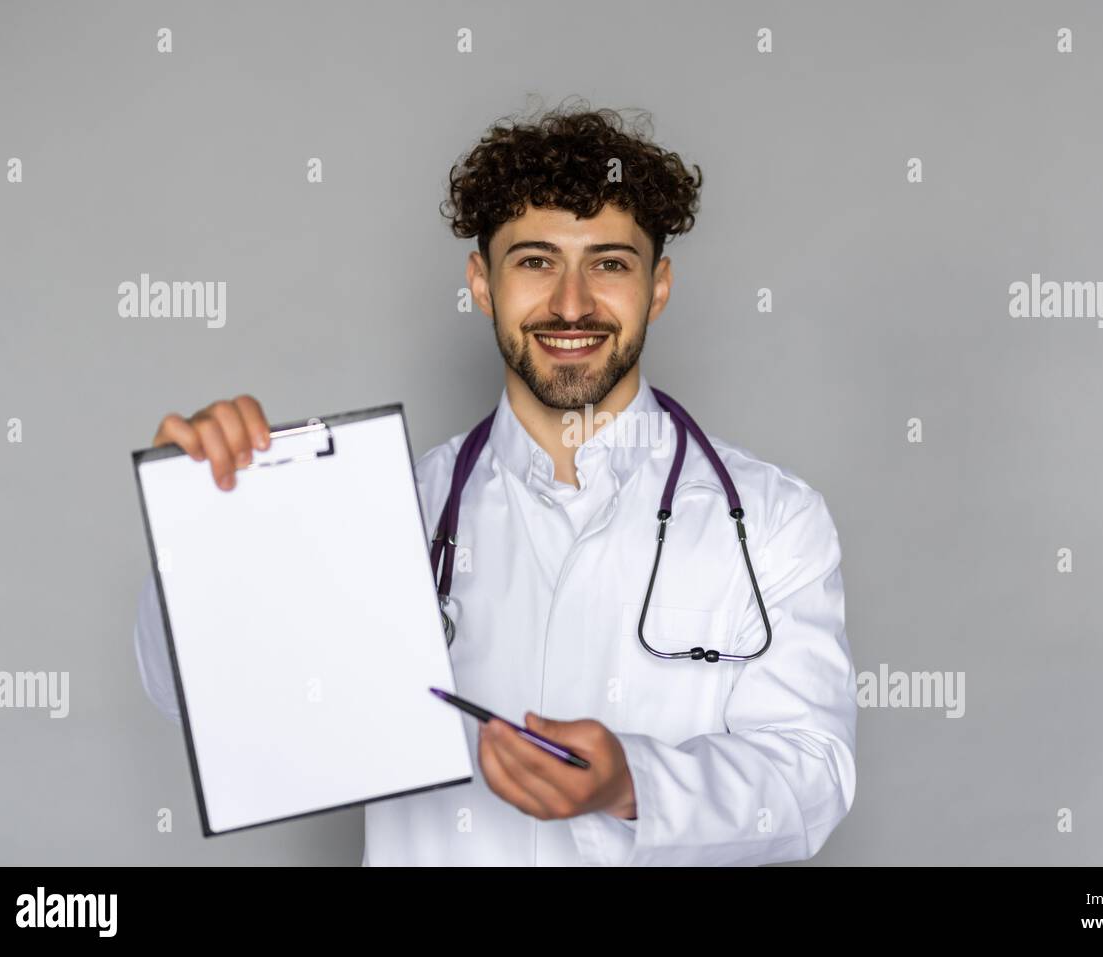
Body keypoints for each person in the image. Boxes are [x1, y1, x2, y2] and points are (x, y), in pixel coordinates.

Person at [132, 103, 857, 866]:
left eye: (609, 262)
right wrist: (203, 523)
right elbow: (192, 691)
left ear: (659, 285)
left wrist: (632, 783)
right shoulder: (389, 509)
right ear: (482, 282)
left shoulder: (773, 520)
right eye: (536, 261)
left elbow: (814, 777)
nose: (572, 303)